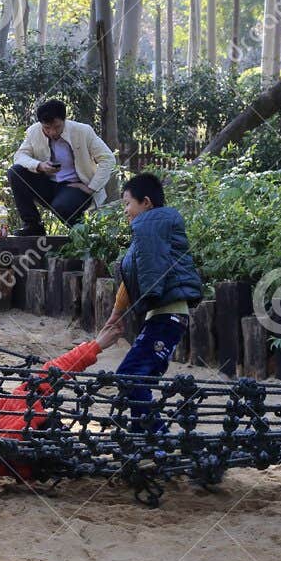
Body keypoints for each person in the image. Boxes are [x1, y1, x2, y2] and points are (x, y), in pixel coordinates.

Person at [0, 317, 122, 480]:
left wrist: (96, 346)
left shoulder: (15, 408)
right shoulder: (13, 414)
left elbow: (53, 372)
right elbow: (53, 372)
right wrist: (96, 346)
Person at [98, 173, 204, 428]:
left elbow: (151, 268)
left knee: (131, 375)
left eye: (127, 203)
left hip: (167, 316)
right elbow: (133, 275)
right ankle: (143, 435)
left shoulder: (151, 224)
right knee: (132, 376)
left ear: (146, 202)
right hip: (161, 317)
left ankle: (154, 438)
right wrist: (117, 313)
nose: (125, 211)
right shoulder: (147, 231)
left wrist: (148, 297)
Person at [7, 99, 118, 235]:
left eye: (57, 127)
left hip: (75, 187)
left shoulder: (83, 131)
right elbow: (19, 156)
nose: (52, 132)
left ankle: (83, 235)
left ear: (64, 121)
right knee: (15, 172)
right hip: (47, 185)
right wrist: (39, 166)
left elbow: (108, 159)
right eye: (47, 128)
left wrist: (91, 187)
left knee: (61, 207)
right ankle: (33, 225)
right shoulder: (33, 131)